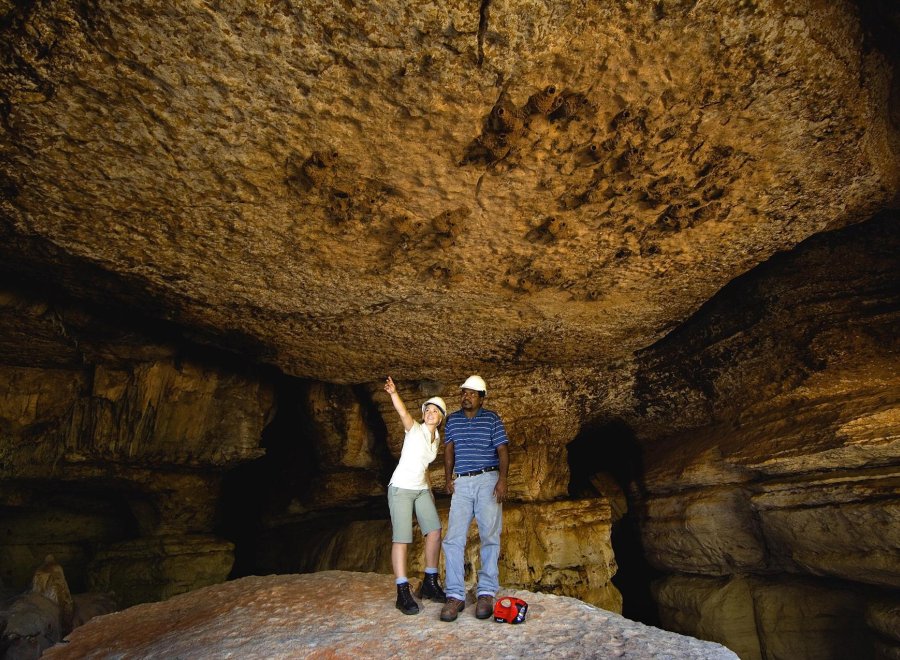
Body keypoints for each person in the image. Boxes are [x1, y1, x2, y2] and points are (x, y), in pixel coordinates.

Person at [439, 375, 509, 622]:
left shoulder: (492, 419)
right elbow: (449, 450)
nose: (465, 396)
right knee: (453, 538)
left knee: (490, 535)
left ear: (481, 398)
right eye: (463, 392)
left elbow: (502, 451)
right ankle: (455, 595)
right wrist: (448, 478)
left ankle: (487, 592)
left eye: (471, 393)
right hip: (462, 482)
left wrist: (502, 480)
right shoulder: (453, 420)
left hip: (487, 480)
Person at [383, 376, 448, 615]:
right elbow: (403, 415)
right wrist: (393, 394)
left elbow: (424, 467)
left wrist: (429, 492)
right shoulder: (415, 429)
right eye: (427, 410)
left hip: (420, 488)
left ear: (440, 418)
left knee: (434, 530)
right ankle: (402, 591)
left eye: (435, 411)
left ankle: (430, 582)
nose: (430, 413)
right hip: (400, 488)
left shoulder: (436, 438)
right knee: (402, 538)